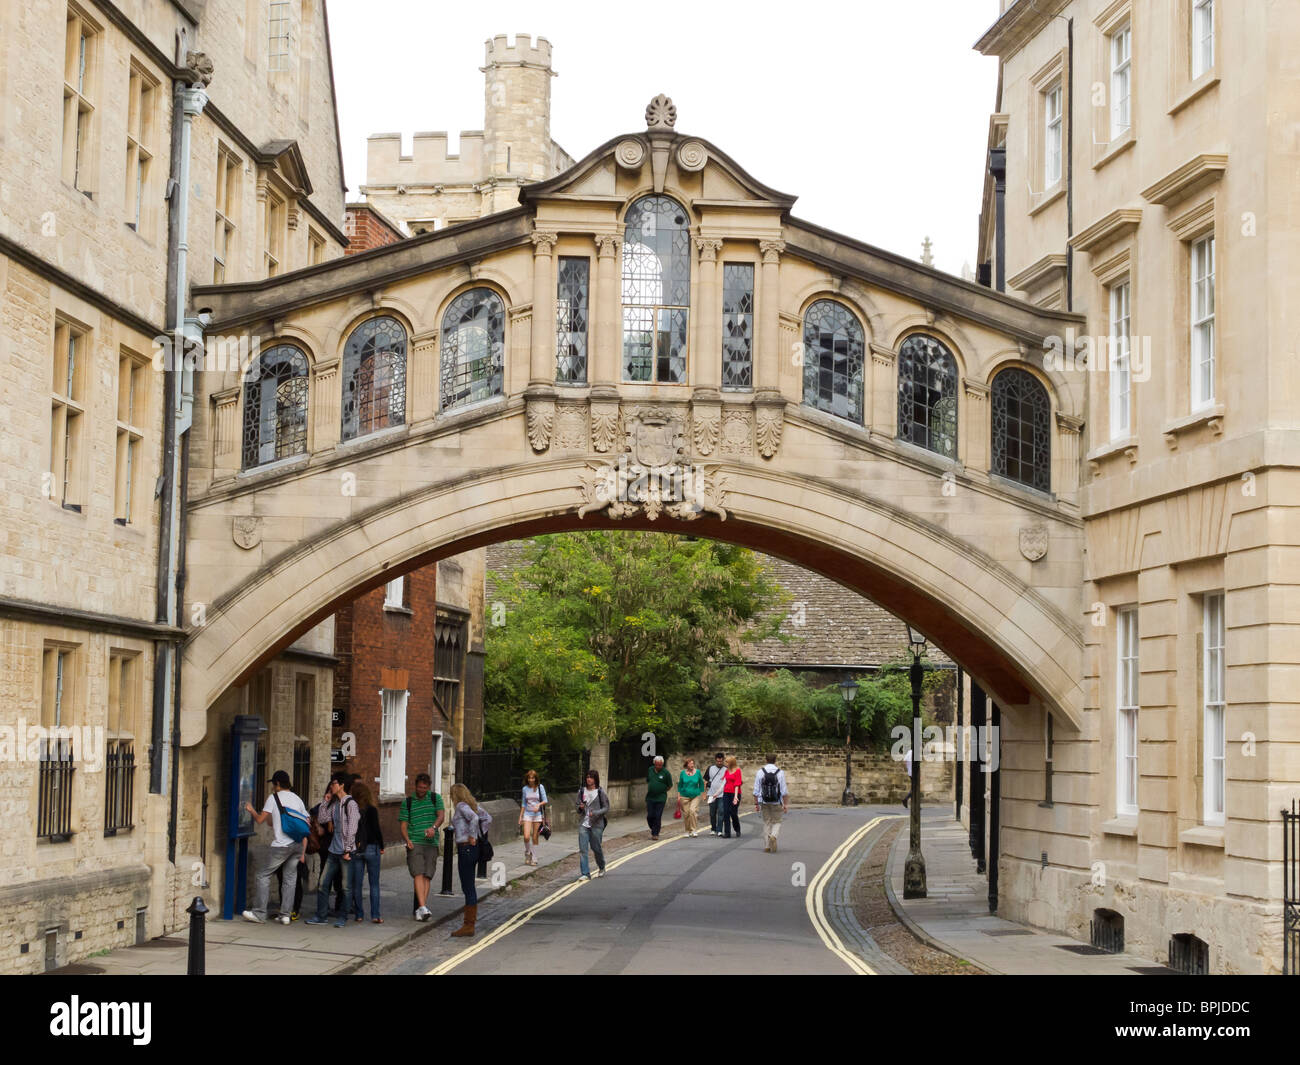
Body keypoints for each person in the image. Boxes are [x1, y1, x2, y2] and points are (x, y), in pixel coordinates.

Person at [241, 770, 309, 924]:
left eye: (273, 784)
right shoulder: (297, 798)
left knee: (262, 875)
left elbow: (260, 820)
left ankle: (259, 913)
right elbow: (304, 821)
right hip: (297, 845)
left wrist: (251, 809)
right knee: (290, 879)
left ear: (278, 784)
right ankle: (286, 915)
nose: (272, 787)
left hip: (282, 846)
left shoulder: (273, 798)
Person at [306, 773, 358, 927]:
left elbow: (352, 828)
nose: (331, 786)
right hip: (333, 851)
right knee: (323, 884)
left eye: (334, 783)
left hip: (346, 852)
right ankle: (321, 916)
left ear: (341, 785)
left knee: (346, 887)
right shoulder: (335, 804)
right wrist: (325, 802)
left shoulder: (351, 804)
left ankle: (343, 917)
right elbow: (322, 819)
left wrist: (348, 849)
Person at [399, 772, 445, 922]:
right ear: (415, 786)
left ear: (429, 787)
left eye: (424, 788)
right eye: (419, 787)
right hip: (415, 841)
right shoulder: (408, 802)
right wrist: (407, 840)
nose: (422, 790)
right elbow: (403, 825)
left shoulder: (435, 798)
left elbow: (441, 816)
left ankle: (421, 909)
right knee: (418, 873)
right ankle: (423, 907)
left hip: (431, 842)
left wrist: (433, 828)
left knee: (427, 875)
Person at [449, 783, 492, 938]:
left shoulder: (461, 806)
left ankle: (469, 925)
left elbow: (474, 819)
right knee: (469, 886)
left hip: (466, 848)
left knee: (467, 886)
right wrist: (480, 836)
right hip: (472, 850)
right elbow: (488, 818)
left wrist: (473, 836)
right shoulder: (473, 805)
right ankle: (469, 924)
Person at [349, 782, 384, 923]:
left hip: (357, 848)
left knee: (357, 884)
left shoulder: (352, 810)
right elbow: (376, 829)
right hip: (372, 848)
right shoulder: (372, 810)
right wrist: (381, 845)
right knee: (374, 884)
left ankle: (359, 914)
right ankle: (375, 915)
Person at [575, 769, 610, 881]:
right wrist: (580, 808)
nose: (588, 779)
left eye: (591, 777)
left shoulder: (600, 792)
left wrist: (595, 813)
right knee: (583, 849)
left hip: (597, 824)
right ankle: (585, 873)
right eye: (587, 777)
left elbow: (606, 808)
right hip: (583, 824)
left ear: (595, 779)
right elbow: (577, 806)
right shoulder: (581, 791)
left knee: (596, 848)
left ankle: (601, 866)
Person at [753, 754, 789, 853]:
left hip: (764, 801)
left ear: (766, 760)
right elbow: (784, 791)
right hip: (776, 801)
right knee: (777, 821)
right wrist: (785, 805)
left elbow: (756, 790)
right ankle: (773, 835)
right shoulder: (780, 773)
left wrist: (756, 804)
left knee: (766, 822)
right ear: (775, 760)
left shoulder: (760, 772)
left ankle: (767, 846)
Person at [517, 769, 549, 867]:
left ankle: (534, 858)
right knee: (526, 836)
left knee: (535, 836)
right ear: (527, 779)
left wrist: (538, 805)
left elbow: (545, 800)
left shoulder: (540, 787)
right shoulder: (525, 789)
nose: (531, 780)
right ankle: (527, 853)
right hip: (527, 814)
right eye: (530, 778)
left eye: (533, 778)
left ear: (536, 779)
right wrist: (520, 816)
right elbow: (523, 803)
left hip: (538, 815)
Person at [645, 755, 673, 840]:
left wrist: (661, 790)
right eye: (657, 765)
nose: (658, 767)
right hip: (650, 797)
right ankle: (654, 828)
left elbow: (669, 785)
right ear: (654, 763)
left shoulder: (666, 773)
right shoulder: (650, 770)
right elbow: (648, 780)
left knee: (657, 816)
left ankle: (655, 833)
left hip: (661, 798)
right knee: (650, 816)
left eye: (660, 765)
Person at [677, 758, 704, 837]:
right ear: (686, 765)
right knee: (686, 814)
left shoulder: (698, 772)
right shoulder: (682, 773)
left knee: (692, 811)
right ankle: (687, 830)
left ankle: (694, 830)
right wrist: (678, 796)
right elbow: (680, 785)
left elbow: (701, 783)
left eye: (693, 763)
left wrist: (703, 794)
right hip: (684, 796)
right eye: (690, 764)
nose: (692, 765)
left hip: (695, 795)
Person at [704, 751, 727, 836]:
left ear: (723, 760)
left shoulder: (726, 769)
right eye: (718, 761)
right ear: (715, 760)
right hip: (711, 794)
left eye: (721, 761)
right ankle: (713, 829)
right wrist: (704, 792)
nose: (719, 763)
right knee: (712, 813)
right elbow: (705, 780)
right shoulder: (710, 768)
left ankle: (719, 830)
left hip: (722, 794)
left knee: (721, 812)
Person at [720, 755, 743, 838]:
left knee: (733, 813)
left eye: (726, 762)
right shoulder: (726, 771)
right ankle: (727, 833)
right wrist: (716, 793)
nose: (725, 763)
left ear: (731, 763)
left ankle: (737, 829)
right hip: (726, 793)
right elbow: (724, 783)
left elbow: (737, 784)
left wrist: (735, 797)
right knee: (725, 812)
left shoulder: (738, 770)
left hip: (735, 793)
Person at [901, 744, 913, 810]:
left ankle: (913, 803)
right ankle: (905, 799)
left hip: (910, 773)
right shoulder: (914, 753)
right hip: (914, 773)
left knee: (914, 789)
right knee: (915, 789)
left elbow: (904, 761)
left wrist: (907, 768)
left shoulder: (909, 752)